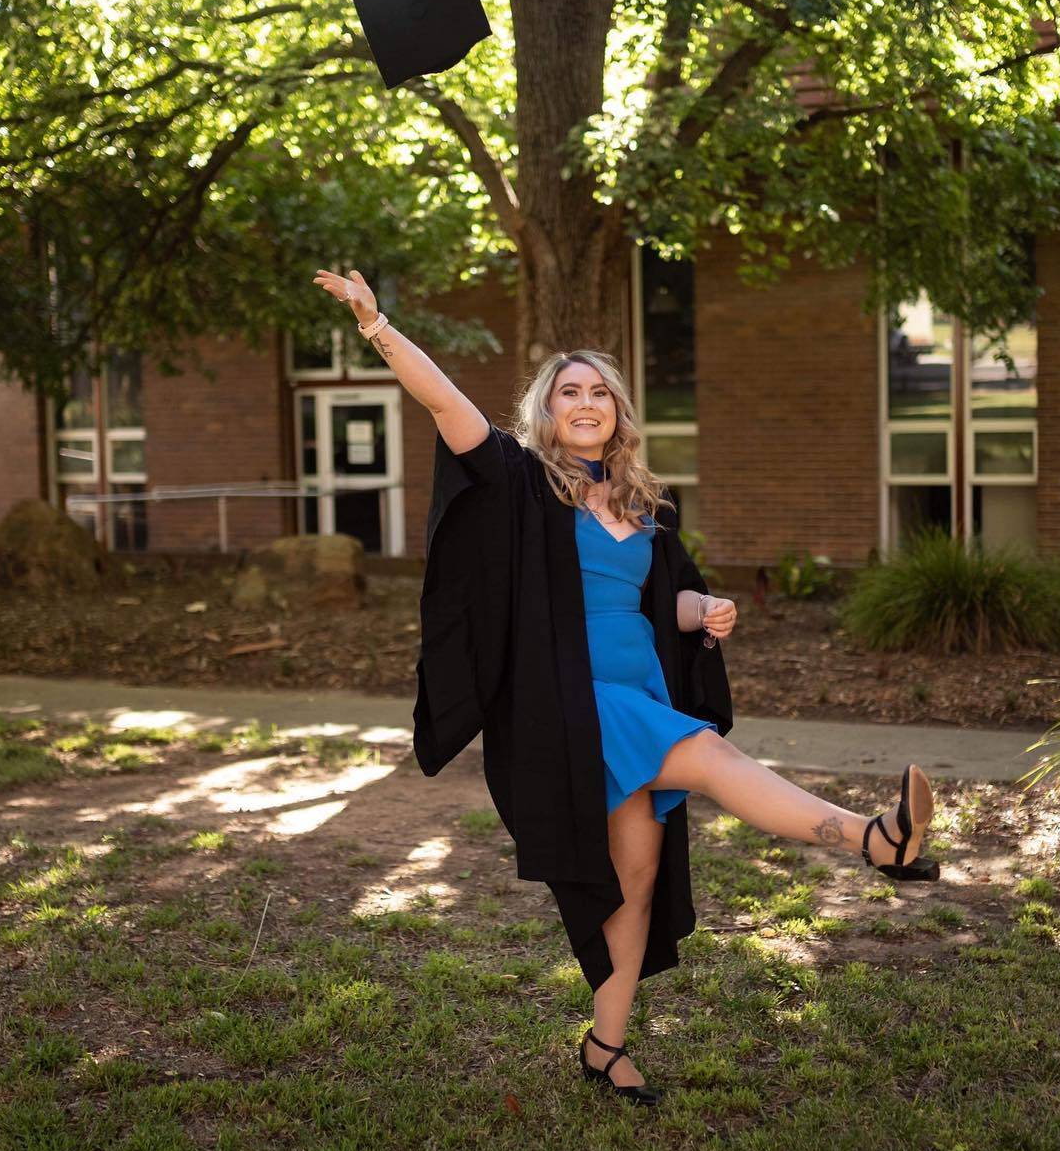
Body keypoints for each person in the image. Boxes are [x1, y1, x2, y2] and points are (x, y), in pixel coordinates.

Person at [312, 267, 940, 1106]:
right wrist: (377, 324)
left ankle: (605, 1045)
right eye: (568, 390)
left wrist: (703, 607)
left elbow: (654, 602)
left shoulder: (649, 507)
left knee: (635, 879)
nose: (585, 402)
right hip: (567, 707)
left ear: (616, 414)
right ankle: (873, 840)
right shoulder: (523, 483)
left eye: (599, 392)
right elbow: (444, 405)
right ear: (547, 409)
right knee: (710, 756)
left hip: (636, 698)